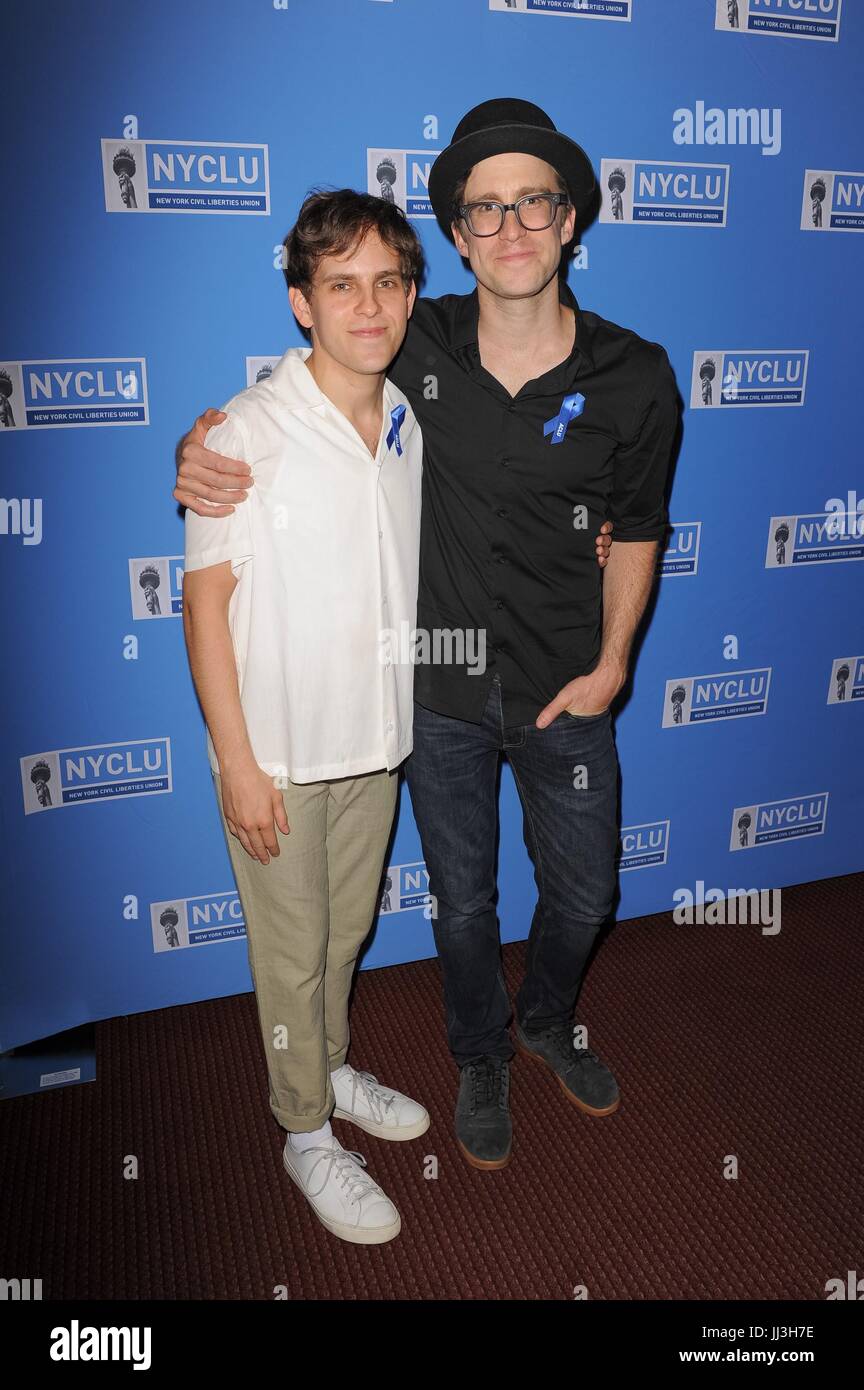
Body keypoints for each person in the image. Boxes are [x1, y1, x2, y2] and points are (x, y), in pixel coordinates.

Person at [175, 99, 678, 1173]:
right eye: (484, 209)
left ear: (571, 218)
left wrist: (615, 666)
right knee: (462, 906)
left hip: (565, 689)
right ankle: (477, 1056)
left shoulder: (636, 375)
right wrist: (199, 441)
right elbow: (298, 392)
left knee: (586, 892)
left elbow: (638, 526)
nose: (510, 230)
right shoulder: (416, 342)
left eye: (532, 203)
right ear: (457, 234)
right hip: (438, 692)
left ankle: (543, 1020)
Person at [182, 189, 430, 1245]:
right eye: (341, 285)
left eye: (386, 282)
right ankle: (302, 1132)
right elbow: (204, 603)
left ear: (411, 298)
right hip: (275, 756)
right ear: (301, 303)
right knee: (289, 953)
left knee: (345, 934)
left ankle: (327, 1066)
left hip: (375, 743)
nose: (366, 305)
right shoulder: (246, 429)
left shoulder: (412, 418)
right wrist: (237, 762)